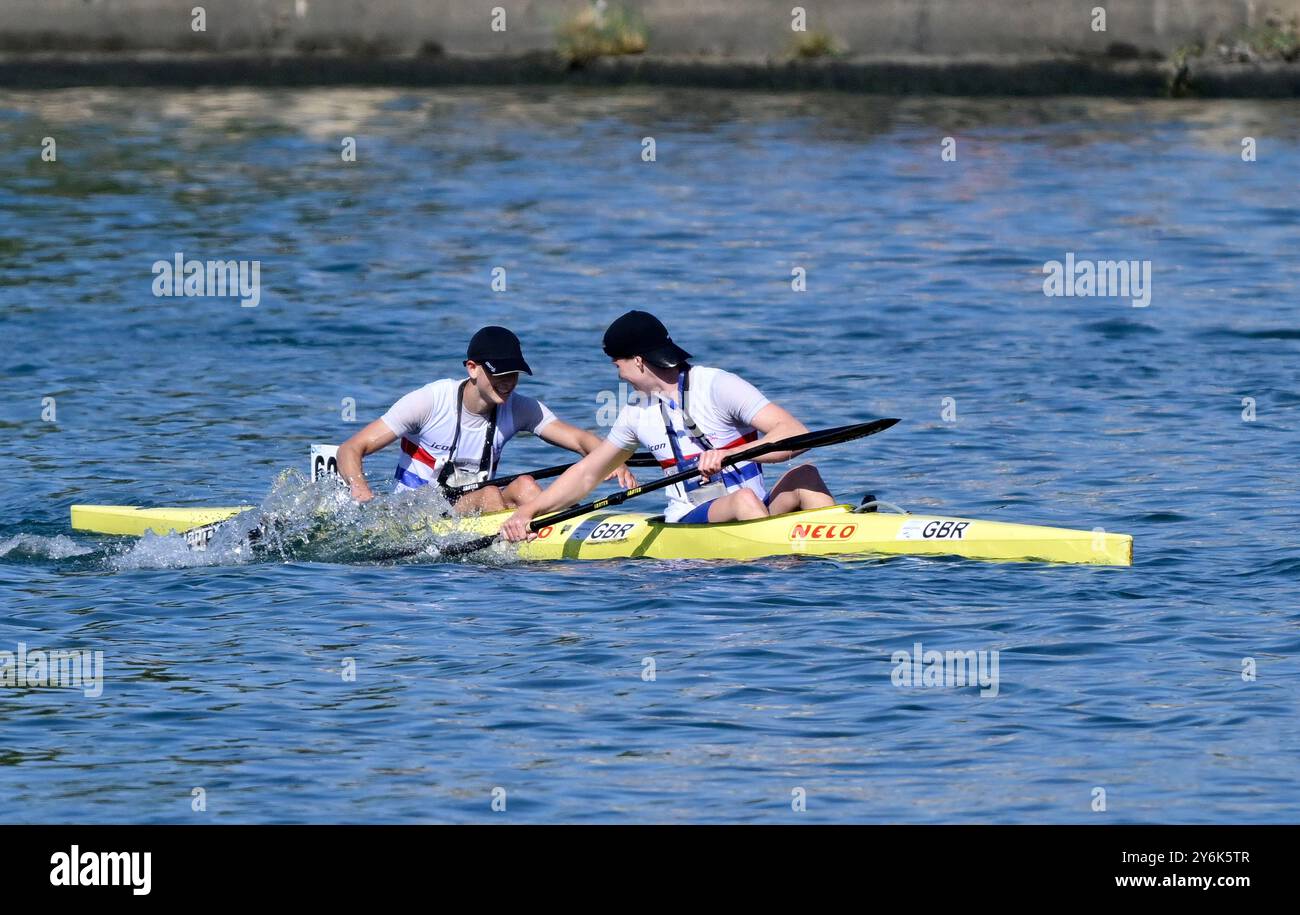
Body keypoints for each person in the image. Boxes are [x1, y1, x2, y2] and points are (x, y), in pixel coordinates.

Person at [501, 311, 833, 541]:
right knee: (743, 499)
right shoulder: (635, 413)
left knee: (806, 475)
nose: (619, 375)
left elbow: (796, 433)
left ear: (638, 361)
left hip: (755, 507)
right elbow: (589, 473)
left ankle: (839, 562)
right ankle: (777, 575)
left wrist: (732, 453)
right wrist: (529, 511)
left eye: (617, 365)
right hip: (692, 517)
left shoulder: (717, 385)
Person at [337, 326, 635, 513]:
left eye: (513, 375)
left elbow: (580, 439)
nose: (507, 383)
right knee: (490, 494)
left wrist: (612, 458)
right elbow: (350, 448)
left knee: (526, 485)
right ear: (472, 369)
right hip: (417, 514)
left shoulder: (519, 408)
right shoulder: (429, 401)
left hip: (475, 507)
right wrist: (360, 491)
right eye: (499, 374)